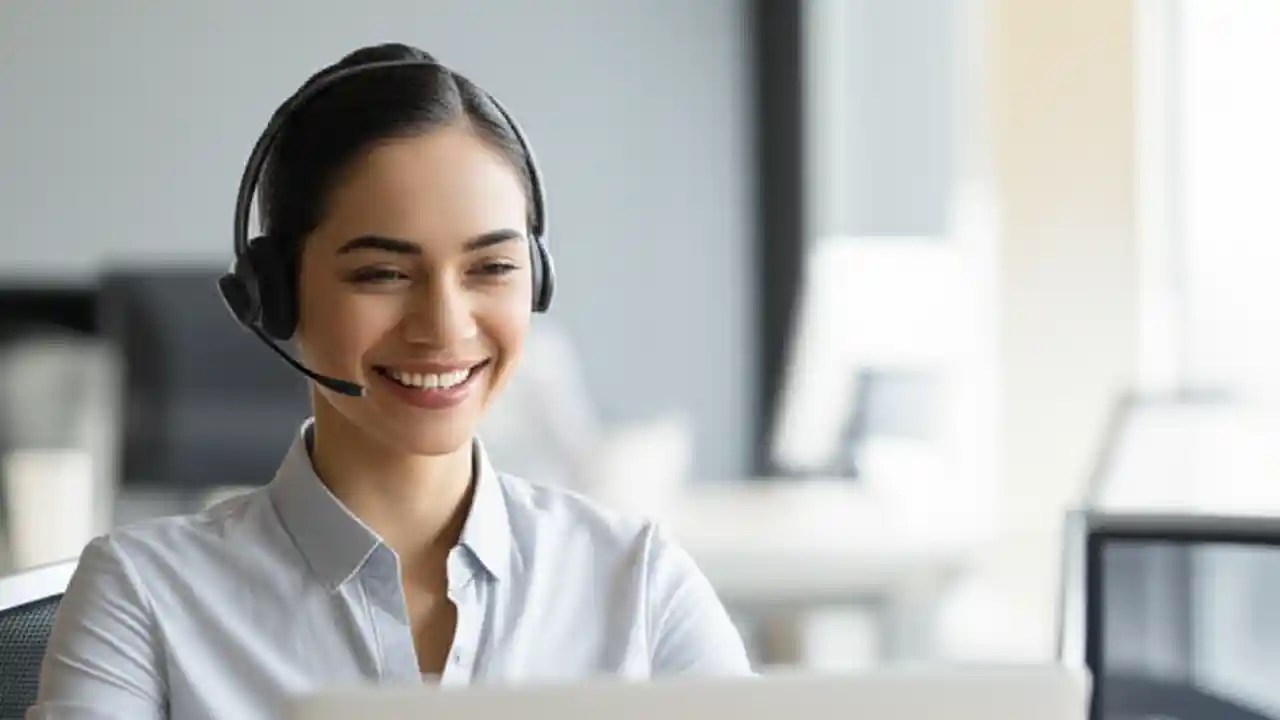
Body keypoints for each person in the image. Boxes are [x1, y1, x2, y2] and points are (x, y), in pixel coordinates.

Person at [29, 43, 751, 720]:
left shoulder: (638, 587)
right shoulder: (145, 594)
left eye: (491, 268)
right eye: (382, 274)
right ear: (275, 296)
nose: (443, 326)